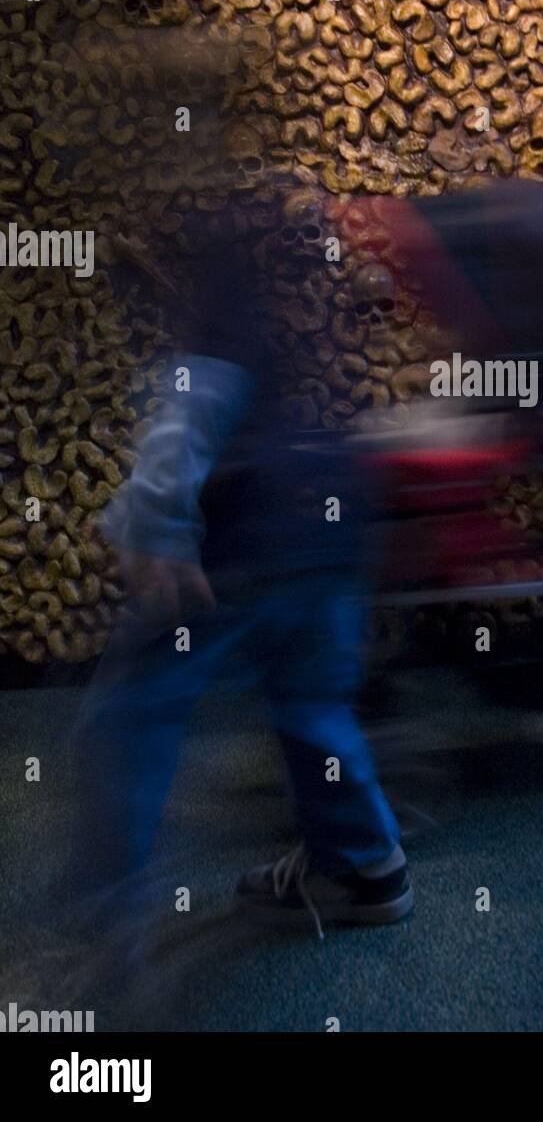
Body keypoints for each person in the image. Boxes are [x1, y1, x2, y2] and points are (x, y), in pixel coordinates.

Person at [70, 213, 411, 940]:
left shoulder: (208, 278)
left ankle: (102, 932)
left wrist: (155, 526)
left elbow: (193, 404)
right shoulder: (314, 297)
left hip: (247, 540)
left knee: (131, 712)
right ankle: (365, 864)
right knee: (312, 708)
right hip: (332, 528)